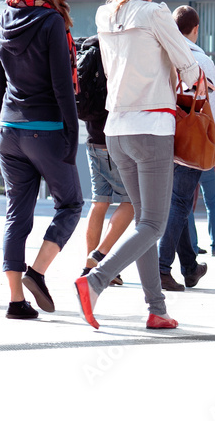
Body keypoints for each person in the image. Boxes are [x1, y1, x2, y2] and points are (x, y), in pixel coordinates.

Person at [74, 0, 200, 330]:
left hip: (115, 131)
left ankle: (157, 309)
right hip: (151, 127)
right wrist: (194, 77)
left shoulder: (104, 13)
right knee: (154, 225)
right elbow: (188, 64)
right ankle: (95, 281)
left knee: (143, 221)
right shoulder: (155, 12)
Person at [0, 0, 84, 320]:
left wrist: (1, 127)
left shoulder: (2, 19)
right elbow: (63, 87)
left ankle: (16, 301)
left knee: (17, 215)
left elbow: (1, 84)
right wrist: (72, 132)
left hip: (9, 128)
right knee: (71, 204)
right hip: (45, 129)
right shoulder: (51, 22)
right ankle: (37, 272)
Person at [157, 5, 215, 291]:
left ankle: (189, 266)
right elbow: (213, 107)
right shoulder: (199, 59)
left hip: (161, 135)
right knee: (179, 203)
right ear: (196, 29)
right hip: (190, 141)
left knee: (179, 203)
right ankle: (162, 268)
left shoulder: (161, 54)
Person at [78, 35, 132, 286]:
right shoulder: (115, 51)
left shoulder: (88, 46)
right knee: (132, 203)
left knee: (99, 202)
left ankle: (90, 264)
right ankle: (100, 261)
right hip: (113, 140)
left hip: (91, 139)